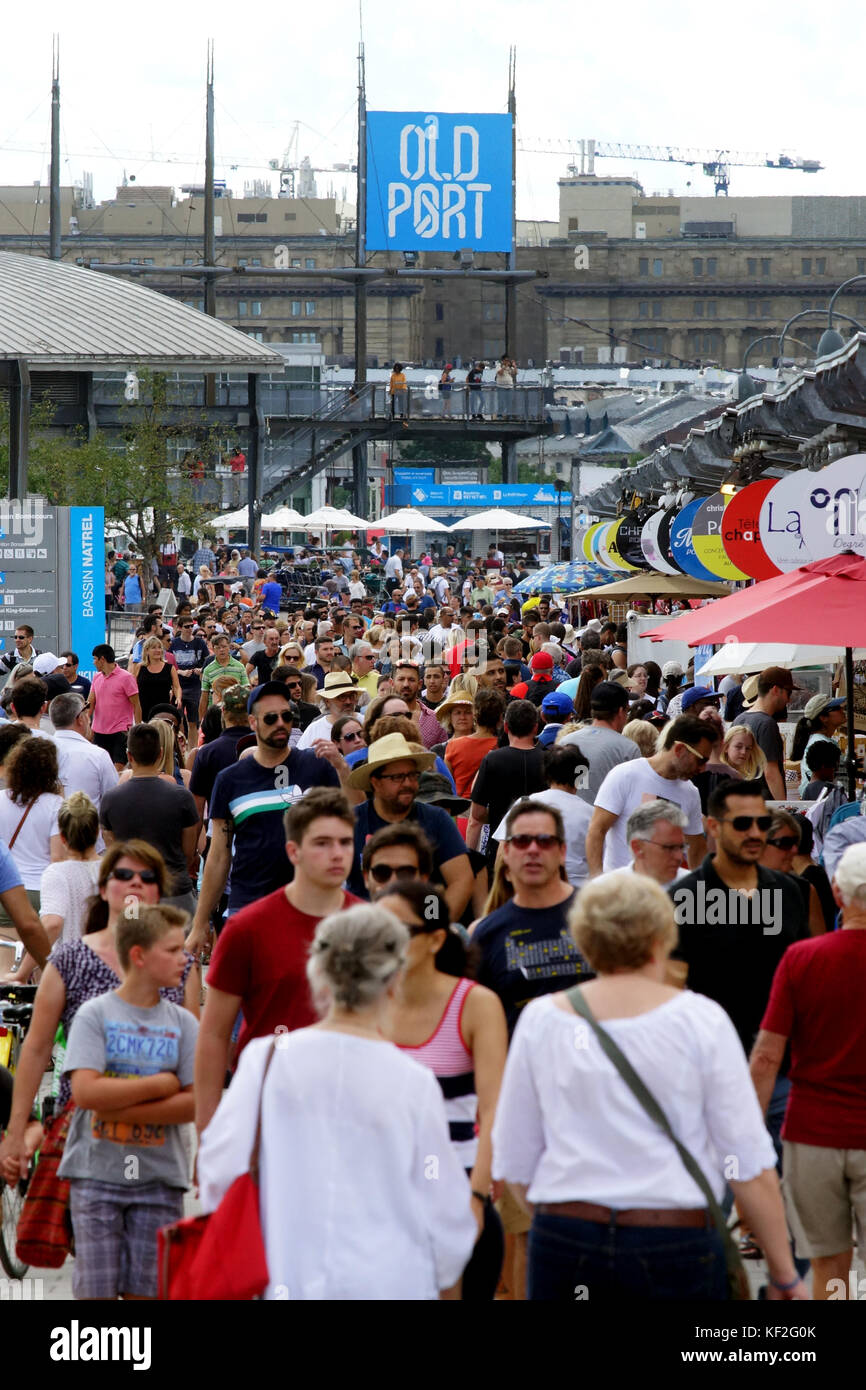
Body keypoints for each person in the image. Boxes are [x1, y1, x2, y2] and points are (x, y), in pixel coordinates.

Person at [492, 873, 807, 1303]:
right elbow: (744, 1160)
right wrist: (784, 1273)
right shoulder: (702, 1020)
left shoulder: (542, 1020)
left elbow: (514, 1156)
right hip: (675, 1235)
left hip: (566, 1234)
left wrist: (562, 1213)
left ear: (584, 939)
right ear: (662, 935)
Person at [198, 902, 476, 1300]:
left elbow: (219, 1170)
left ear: (318, 974)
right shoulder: (415, 1083)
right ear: (394, 980)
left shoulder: (266, 1061)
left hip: (284, 1276)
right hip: (389, 1282)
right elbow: (444, 1209)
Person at [0, 842, 198, 1186]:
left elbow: (193, 1058)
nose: (136, 882)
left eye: (147, 876)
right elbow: (36, 1047)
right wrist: (17, 1128)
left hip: (156, 1137)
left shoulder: (181, 965)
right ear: (104, 889)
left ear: (158, 893)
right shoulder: (71, 959)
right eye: (124, 874)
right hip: (83, 1132)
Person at [195, 788, 360, 1134]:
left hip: (351, 1109)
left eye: (345, 842)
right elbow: (213, 1034)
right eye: (322, 843)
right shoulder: (247, 928)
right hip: (268, 1109)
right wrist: (207, 1132)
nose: (337, 854)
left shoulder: (371, 926)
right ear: (293, 851)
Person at [58, 904, 197, 1302]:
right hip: (97, 1175)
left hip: (159, 1179)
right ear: (139, 955)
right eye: (172, 950)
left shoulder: (183, 1023)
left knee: (149, 1292)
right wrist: (161, 1084)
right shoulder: (95, 1015)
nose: (184, 958)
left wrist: (115, 1104)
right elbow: (86, 1092)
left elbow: (193, 1103)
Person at [378, 879, 508, 1301]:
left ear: (434, 939)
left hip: (458, 1187)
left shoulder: (475, 1003)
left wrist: (475, 1196)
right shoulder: (364, 1004)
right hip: (382, 1197)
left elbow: (493, 1111)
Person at [750, 841, 866, 1300]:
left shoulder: (803, 959)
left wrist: (746, 1133)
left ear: (837, 894)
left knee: (830, 1265)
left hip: (813, 1135)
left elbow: (766, 1057)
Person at [186, 683, 352, 953]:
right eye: (271, 718)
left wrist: (342, 768)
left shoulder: (318, 766)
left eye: (286, 716)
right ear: (252, 722)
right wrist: (200, 921)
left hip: (312, 908)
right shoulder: (230, 779)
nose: (281, 723)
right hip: (249, 906)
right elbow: (218, 855)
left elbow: (353, 814)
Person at [670, 778, 808, 1074]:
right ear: (713, 827)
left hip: (780, 1063)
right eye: (743, 823)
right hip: (708, 1064)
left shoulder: (789, 891)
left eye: (762, 823)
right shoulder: (682, 898)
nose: (755, 833)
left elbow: (800, 974)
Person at [346, 732, 473, 918]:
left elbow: (462, 879)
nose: (408, 783)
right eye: (397, 777)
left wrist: (436, 930)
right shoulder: (351, 822)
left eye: (413, 775)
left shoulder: (436, 819)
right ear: (375, 783)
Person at [585, 714, 712, 876]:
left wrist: (701, 892)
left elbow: (697, 849)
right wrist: (597, 880)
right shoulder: (626, 775)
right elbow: (597, 830)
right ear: (680, 750)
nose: (703, 769)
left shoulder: (690, 792)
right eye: (701, 760)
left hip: (665, 895)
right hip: (622, 890)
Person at [99, 724, 200, 915]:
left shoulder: (111, 799)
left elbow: (112, 849)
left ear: (129, 756)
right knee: (176, 943)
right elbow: (189, 851)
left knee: (133, 942)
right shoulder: (182, 797)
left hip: (132, 896)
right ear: (161, 754)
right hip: (175, 891)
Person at [487, 744, 592, 890]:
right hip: (577, 894)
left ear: (547, 773)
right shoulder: (591, 813)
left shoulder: (525, 803)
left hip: (530, 887)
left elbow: (502, 851)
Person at [466, 700, 546, 865]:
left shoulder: (493, 759)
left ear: (506, 727)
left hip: (499, 847)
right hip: (540, 846)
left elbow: (476, 816)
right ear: (535, 728)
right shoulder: (549, 760)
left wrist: (470, 863)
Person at [0, 736, 63, 939]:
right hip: (42, 893)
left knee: (5, 963)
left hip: (6, 891)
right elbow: (58, 858)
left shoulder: (1, 799)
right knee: (37, 966)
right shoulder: (56, 804)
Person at [560, 680, 640, 806]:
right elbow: (634, 798)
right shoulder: (628, 748)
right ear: (620, 712)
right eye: (627, 710)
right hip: (607, 823)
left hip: (569, 820)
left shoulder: (566, 741)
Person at [594, 800, 690, 889]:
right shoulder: (604, 891)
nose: (679, 857)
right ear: (638, 847)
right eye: (669, 848)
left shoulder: (697, 889)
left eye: (681, 847)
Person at [49, 693, 118, 812]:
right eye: (86, 712)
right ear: (80, 719)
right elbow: (114, 801)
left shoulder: (41, 753)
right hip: (88, 828)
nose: (89, 719)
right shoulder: (98, 756)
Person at [736, 666, 795, 802]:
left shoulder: (739, 719)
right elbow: (771, 773)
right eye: (788, 692)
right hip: (765, 804)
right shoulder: (767, 724)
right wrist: (784, 807)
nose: (789, 700)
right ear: (775, 690)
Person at [444, 688, 504, 799]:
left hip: (461, 809)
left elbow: (447, 785)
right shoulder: (502, 748)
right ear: (500, 718)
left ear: (475, 714)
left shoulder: (453, 746)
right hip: (490, 807)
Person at [88, 644, 141, 771]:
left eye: (95, 659)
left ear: (102, 659)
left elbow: (136, 705)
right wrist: (86, 726)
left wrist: (138, 729)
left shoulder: (126, 677)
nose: (93, 663)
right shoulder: (96, 677)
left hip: (120, 731)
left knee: (118, 769)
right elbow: (90, 703)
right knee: (99, 768)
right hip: (99, 731)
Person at [792, 693, 846, 795]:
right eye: (837, 708)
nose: (842, 710)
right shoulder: (820, 744)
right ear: (823, 718)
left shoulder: (822, 740)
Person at [296, 671, 362, 750]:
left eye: (352, 696)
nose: (348, 701)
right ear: (327, 701)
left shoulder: (366, 722)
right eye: (342, 697)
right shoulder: (314, 729)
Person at [391, 660, 447, 749]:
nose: (406, 684)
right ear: (392, 683)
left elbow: (442, 756)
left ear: (420, 684)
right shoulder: (381, 716)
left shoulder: (435, 720)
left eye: (411, 680)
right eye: (401, 679)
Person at [170, 617, 211, 731]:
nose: (189, 629)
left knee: (194, 721)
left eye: (191, 626)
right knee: (178, 720)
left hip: (195, 686)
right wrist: (181, 672)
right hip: (178, 685)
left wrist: (201, 669)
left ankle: (192, 746)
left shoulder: (199, 642)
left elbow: (208, 660)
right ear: (180, 628)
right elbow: (169, 665)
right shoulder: (174, 643)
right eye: (186, 626)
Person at [199, 634, 249, 720]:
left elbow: (246, 689)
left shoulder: (240, 667)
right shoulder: (208, 670)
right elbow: (204, 696)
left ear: (229, 647)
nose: (221, 650)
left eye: (224, 647)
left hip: (235, 711)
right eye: (218, 647)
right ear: (213, 649)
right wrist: (202, 720)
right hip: (215, 713)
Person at [136, 635, 182, 723]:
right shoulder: (140, 667)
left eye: (159, 647)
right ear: (147, 651)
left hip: (163, 710)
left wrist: (178, 698)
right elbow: (133, 687)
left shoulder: (169, 668)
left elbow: (177, 687)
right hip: (143, 710)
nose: (158, 650)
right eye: (153, 648)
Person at [720, 723, 769, 790]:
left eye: (748, 748)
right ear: (725, 747)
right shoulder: (721, 775)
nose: (744, 752)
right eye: (738, 747)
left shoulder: (742, 776)